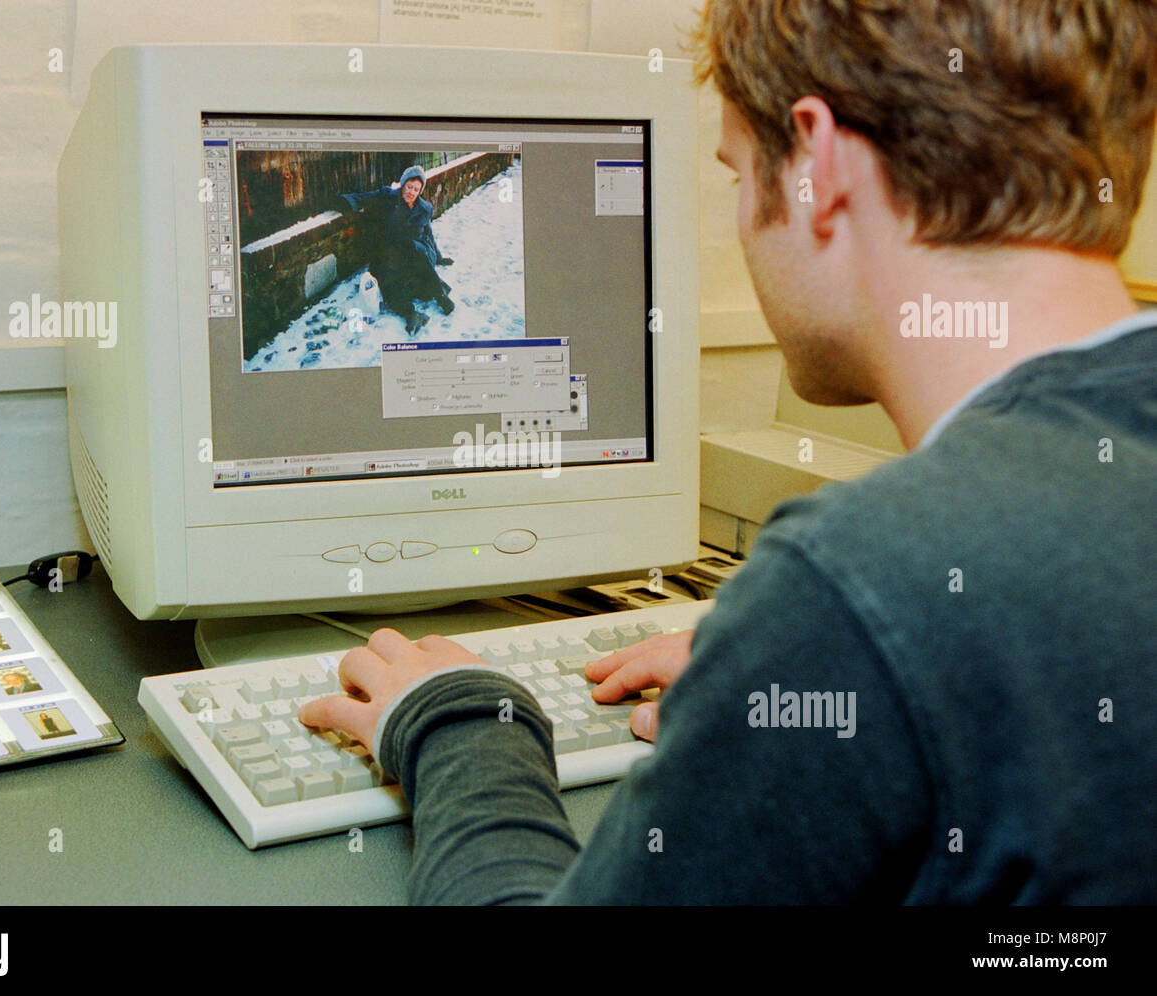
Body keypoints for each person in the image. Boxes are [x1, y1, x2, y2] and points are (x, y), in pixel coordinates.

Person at [301, 0, 1157, 904]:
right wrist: (787, 668)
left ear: (816, 165)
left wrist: (463, 725)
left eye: (739, 173)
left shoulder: (860, 583)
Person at [337, 165, 456, 333]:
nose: (411, 192)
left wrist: (439, 256)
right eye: (409, 187)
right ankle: (411, 314)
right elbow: (365, 198)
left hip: (416, 255)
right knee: (388, 286)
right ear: (402, 184)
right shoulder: (388, 197)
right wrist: (345, 201)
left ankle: (440, 296)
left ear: (420, 191)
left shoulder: (424, 209)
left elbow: (428, 234)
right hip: (390, 254)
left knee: (416, 248)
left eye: (416, 189)